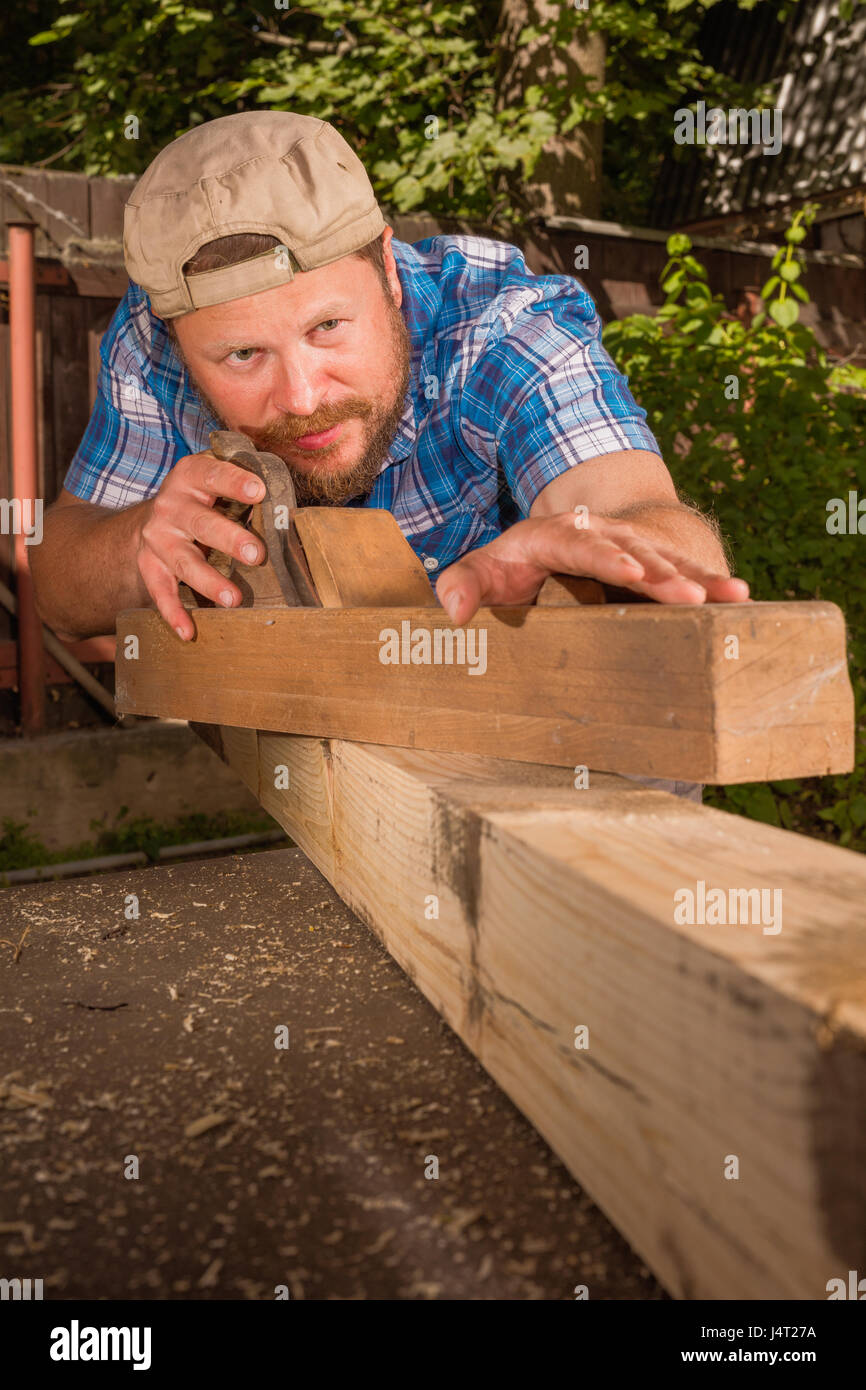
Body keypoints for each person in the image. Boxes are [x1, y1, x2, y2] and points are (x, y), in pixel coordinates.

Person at [31, 109, 748, 648]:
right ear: (178, 341)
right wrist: (138, 543)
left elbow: (658, 530)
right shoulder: (153, 340)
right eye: (243, 356)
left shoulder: (503, 325)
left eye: (327, 328)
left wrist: (588, 541)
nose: (303, 398)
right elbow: (57, 584)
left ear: (389, 270)